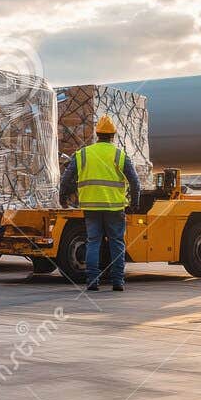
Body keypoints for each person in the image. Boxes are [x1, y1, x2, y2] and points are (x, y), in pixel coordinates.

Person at [60, 116, 141, 291]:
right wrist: (135, 202)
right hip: (115, 207)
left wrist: (63, 196)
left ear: (97, 134)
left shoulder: (83, 154)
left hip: (91, 207)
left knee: (93, 242)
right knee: (117, 242)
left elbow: (67, 177)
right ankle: (118, 282)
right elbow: (135, 182)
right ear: (113, 135)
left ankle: (92, 281)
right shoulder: (120, 155)